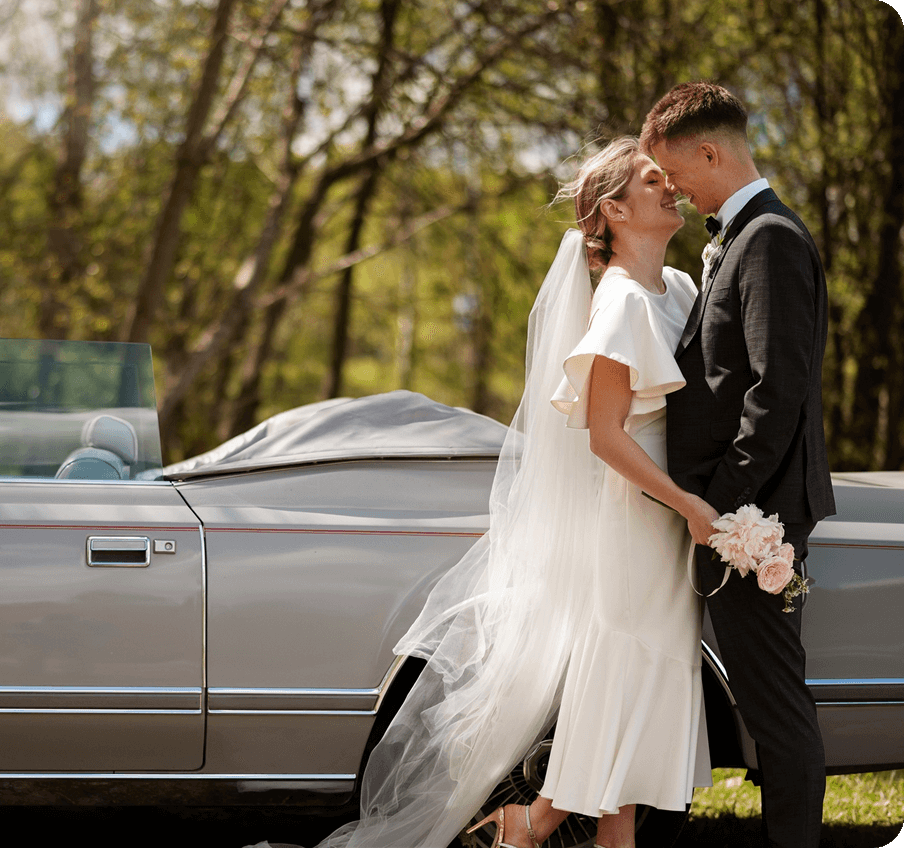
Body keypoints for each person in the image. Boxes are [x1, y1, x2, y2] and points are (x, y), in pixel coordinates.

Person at [246, 138, 715, 848]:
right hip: (632, 521)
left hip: (669, 521)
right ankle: (540, 821)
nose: (671, 187)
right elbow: (606, 437)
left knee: (641, 684)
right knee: (623, 676)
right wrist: (689, 504)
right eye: (655, 181)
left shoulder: (677, 289)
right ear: (615, 210)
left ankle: (546, 826)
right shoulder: (618, 303)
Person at [641, 82, 835, 848]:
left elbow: (775, 393)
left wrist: (722, 509)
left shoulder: (770, 240)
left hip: (757, 515)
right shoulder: (742, 236)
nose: (677, 192)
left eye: (676, 172)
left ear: (711, 153)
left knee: (776, 704)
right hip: (741, 508)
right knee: (766, 698)